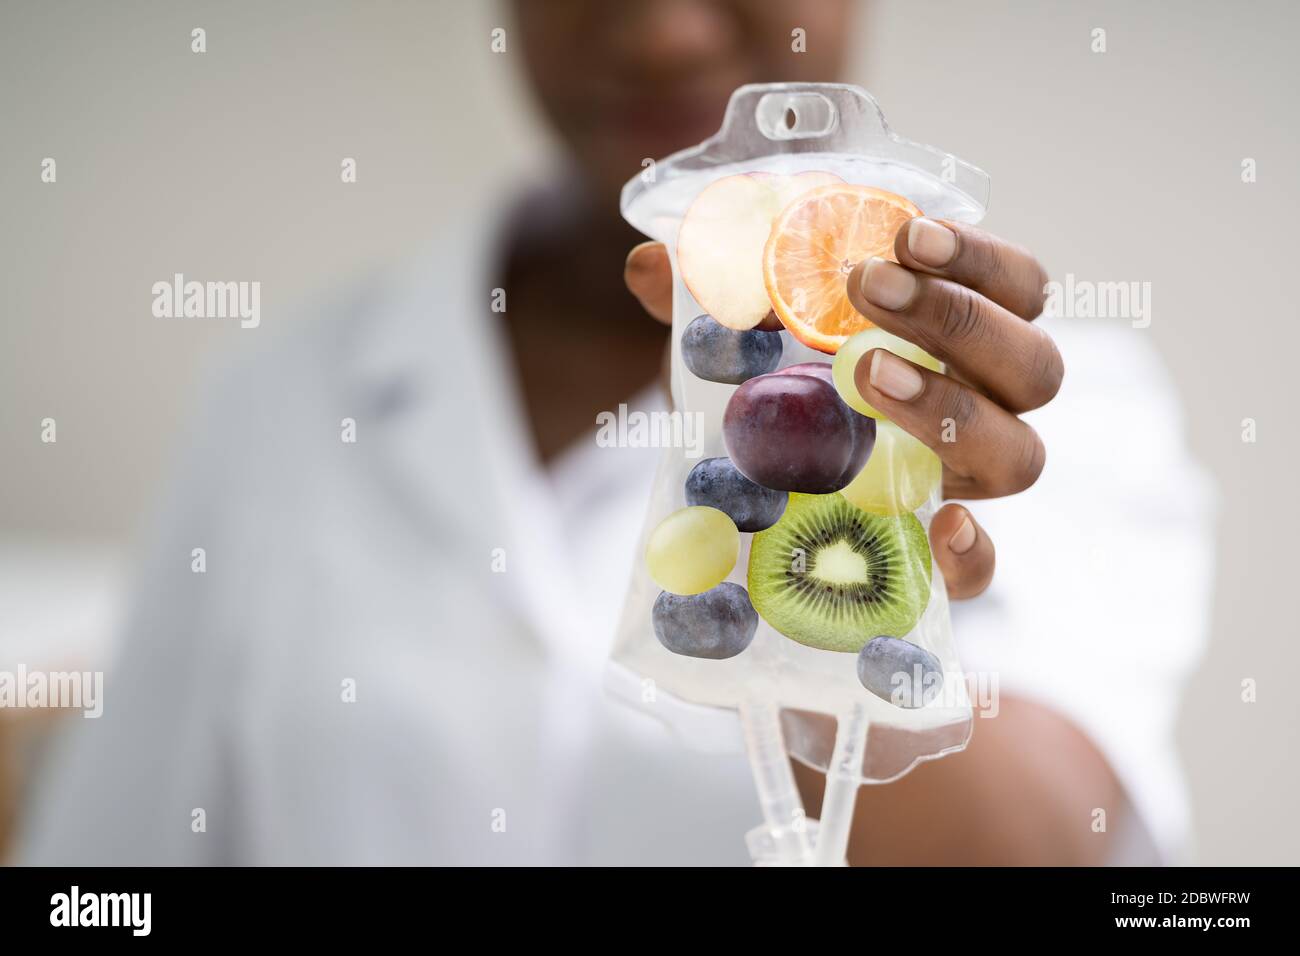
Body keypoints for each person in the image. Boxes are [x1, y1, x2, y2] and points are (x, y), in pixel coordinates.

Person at [19, 0, 1212, 865]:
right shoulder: (278, 396)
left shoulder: (1045, 398)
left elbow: (1051, 851)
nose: (660, 32)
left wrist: (831, 651)